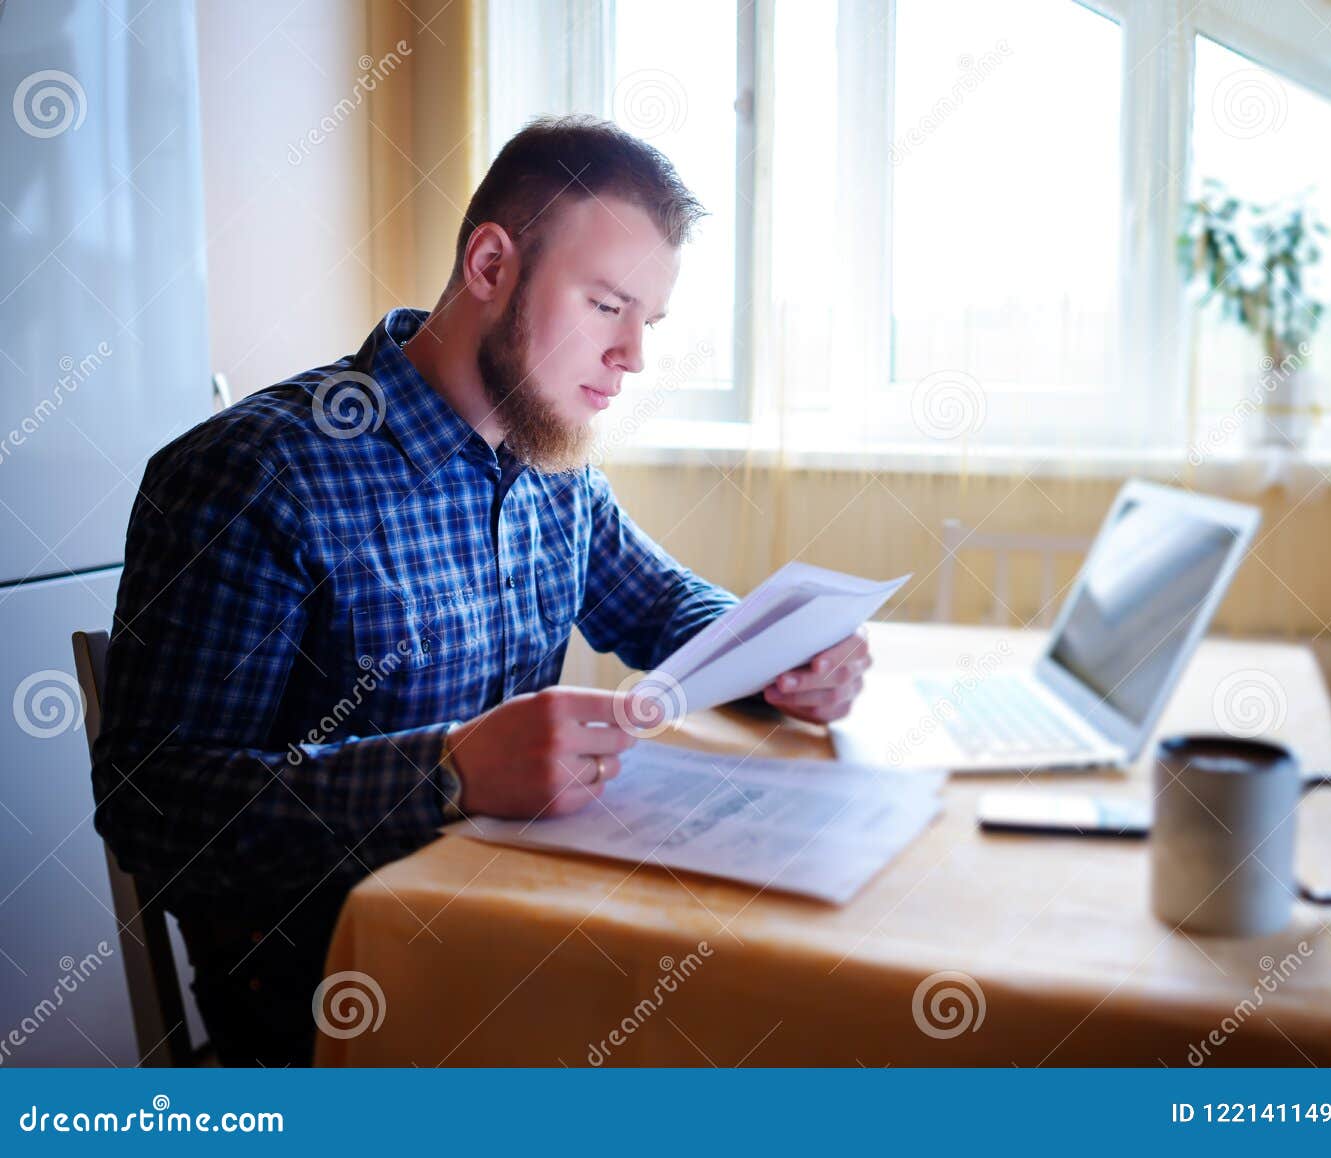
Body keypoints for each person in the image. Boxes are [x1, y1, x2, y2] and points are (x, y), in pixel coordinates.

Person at [91, 116, 871, 1066]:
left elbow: (666, 607)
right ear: (491, 266)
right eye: (604, 306)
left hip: (529, 936)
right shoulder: (254, 475)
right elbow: (153, 810)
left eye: (646, 322)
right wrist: (446, 773)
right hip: (346, 1007)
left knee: (792, 1007)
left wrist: (777, 652)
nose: (634, 357)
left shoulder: (552, 467)